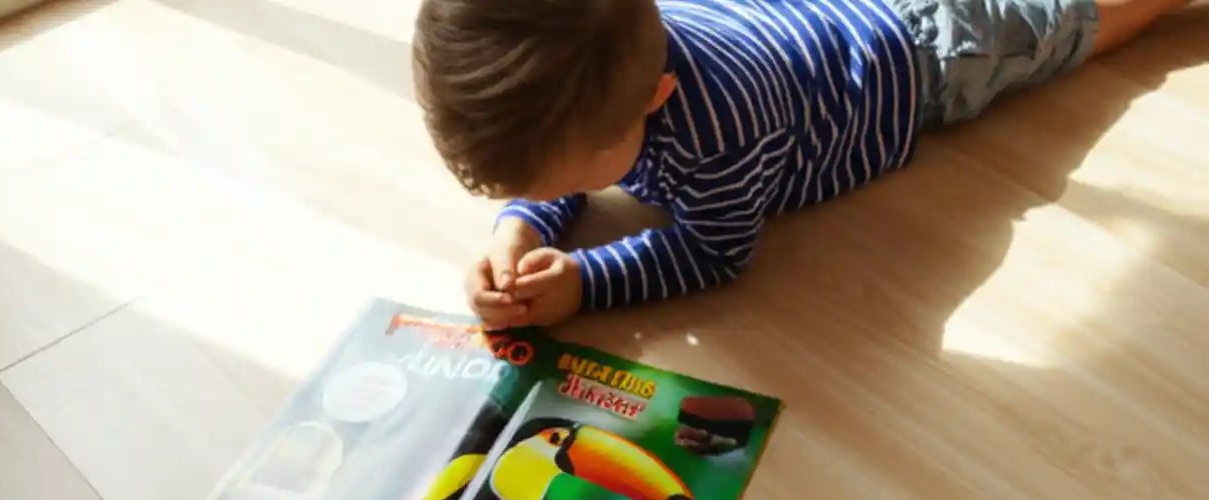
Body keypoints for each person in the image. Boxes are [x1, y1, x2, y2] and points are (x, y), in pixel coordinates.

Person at [412, 0, 1193, 328]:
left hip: (925, 52)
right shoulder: (612, 56)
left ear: (656, 100)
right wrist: (521, 223)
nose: (546, 197)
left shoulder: (718, 130)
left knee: (1056, 26)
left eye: (551, 186)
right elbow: (559, 157)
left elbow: (716, 248)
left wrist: (589, 282)